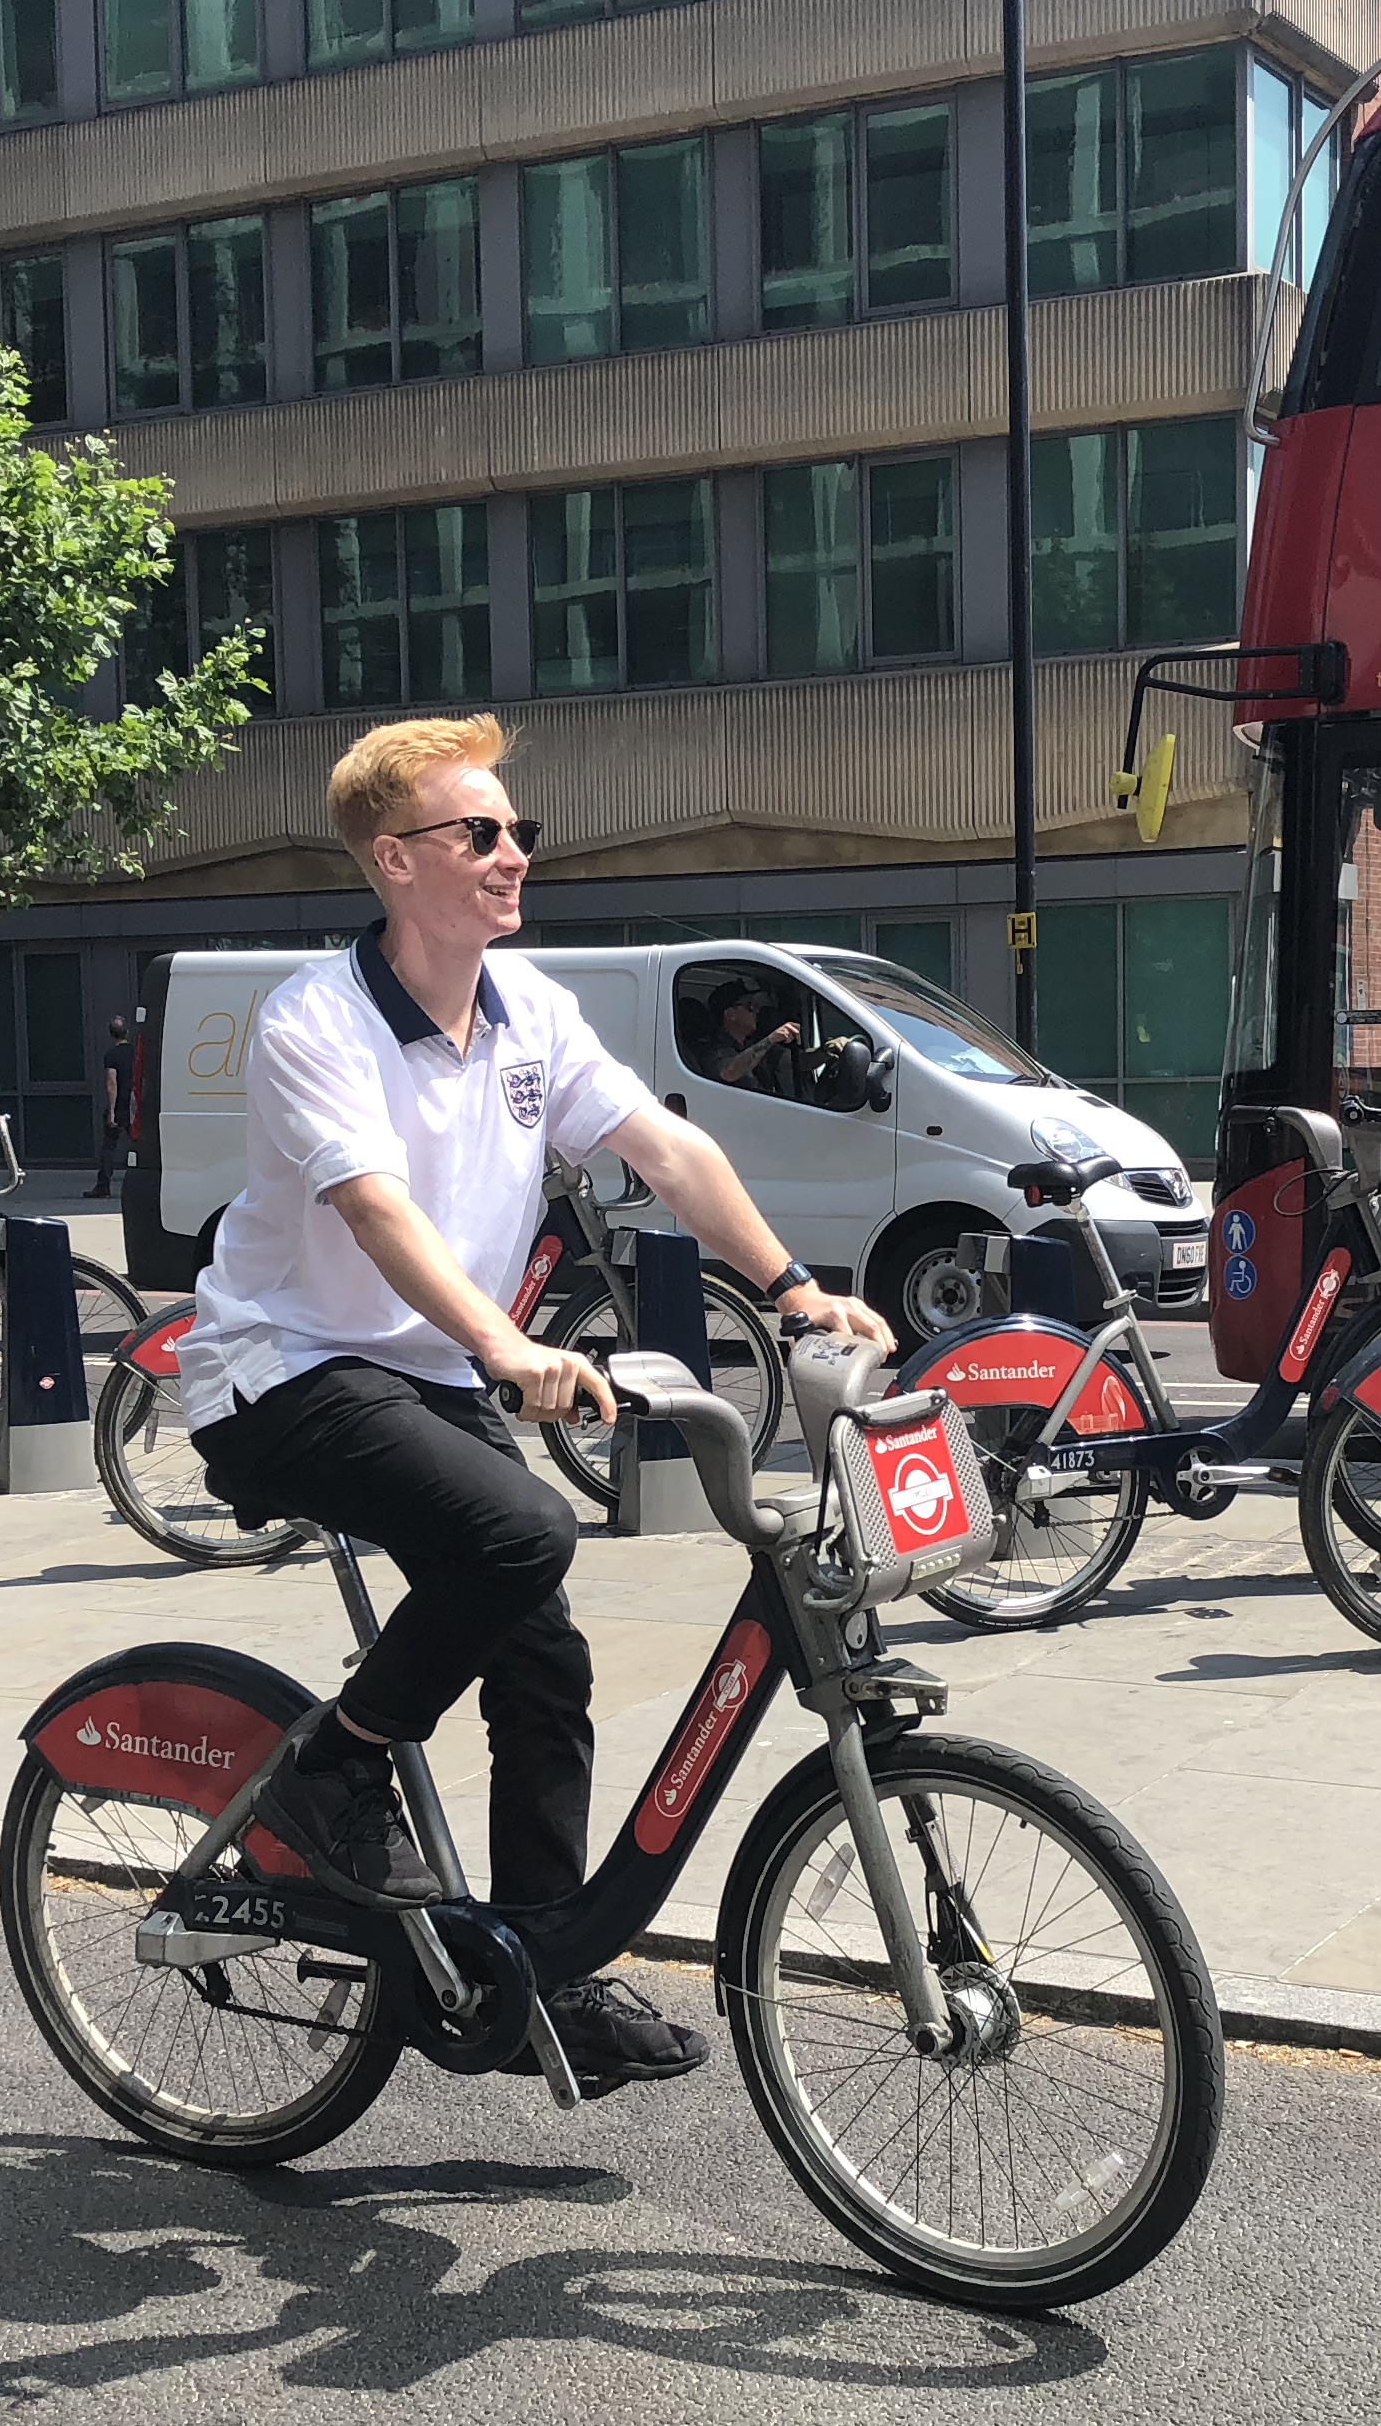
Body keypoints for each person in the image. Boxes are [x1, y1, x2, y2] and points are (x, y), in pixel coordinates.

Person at [176, 715, 892, 2091]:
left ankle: (545, 1972)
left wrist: (795, 1285)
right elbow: (374, 1208)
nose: (514, 856)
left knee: (544, 1658)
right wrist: (506, 1342)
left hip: (427, 1369)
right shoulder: (314, 1020)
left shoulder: (529, 1010)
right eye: (480, 834)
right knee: (522, 1537)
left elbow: (667, 1148)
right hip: (285, 1366)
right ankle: (334, 1771)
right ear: (394, 859)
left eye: (519, 833)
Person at [690, 978, 803, 1097]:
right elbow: (729, 1072)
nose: (757, 1010)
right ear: (730, 1014)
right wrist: (770, 1040)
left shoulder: (752, 1042)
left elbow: (796, 1061)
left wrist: (823, 1050)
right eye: (750, 1006)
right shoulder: (712, 1048)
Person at [87, 1013, 136, 1197]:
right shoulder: (135, 1053)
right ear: (127, 1032)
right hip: (133, 1106)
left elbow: (111, 1083)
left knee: (108, 1148)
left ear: (111, 1034)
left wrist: (112, 1112)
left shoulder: (112, 1055)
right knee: (139, 1146)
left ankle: (103, 1186)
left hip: (120, 1106)